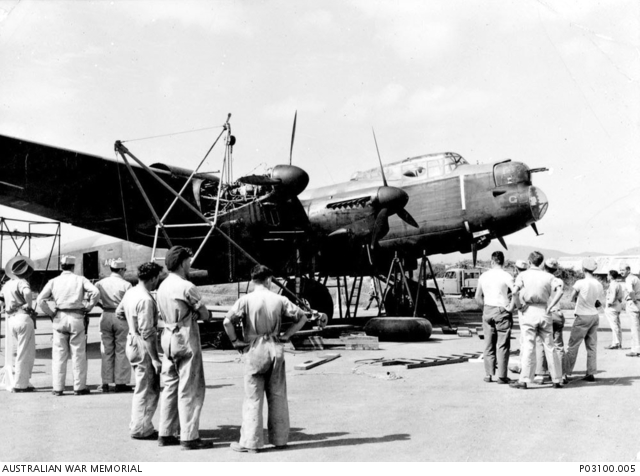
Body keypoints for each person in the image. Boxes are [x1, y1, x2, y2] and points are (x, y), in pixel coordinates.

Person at [224, 265, 308, 453]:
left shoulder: (245, 300)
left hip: (254, 349)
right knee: (277, 395)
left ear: (253, 280)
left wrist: (235, 341)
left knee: (253, 398)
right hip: (275, 348)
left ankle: (251, 443)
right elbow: (302, 317)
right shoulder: (279, 299)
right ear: (269, 279)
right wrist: (287, 335)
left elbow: (227, 321)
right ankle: (279, 440)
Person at [155, 246, 212, 450]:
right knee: (190, 387)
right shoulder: (186, 286)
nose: (190, 264)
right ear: (181, 263)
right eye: (188, 261)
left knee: (170, 386)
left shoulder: (161, 286)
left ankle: (165, 433)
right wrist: (204, 315)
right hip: (185, 337)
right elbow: (204, 313)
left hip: (167, 338)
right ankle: (188, 436)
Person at [37, 255, 100, 396]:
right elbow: (95, 292)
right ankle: (79, 387)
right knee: (78, 353)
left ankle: (58, 388)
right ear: (73, 266)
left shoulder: (53, 281)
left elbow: (40, 299)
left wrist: (51, 313)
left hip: (59, 317)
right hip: (77, 317)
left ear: (61, 266)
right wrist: (89, 306)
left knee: (59, 353)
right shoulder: (80, 279)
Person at [116, 262, 164, 440]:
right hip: (143, 346)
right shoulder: (145, 299)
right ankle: (141, 428)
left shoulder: (131, 292)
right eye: (157, 278)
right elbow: (148, 333)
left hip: (131, 342)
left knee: (141, 386)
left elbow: (119, 313)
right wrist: (155, 358)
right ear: (153, 278)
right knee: (148, 388)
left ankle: (138, 424)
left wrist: (131, 326)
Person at [510, 251, 564, 389]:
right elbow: (560, 291)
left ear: (529, 262)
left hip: (529, 311)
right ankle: (557, 379)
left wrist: (518, 306)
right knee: (550, 346)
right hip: (544, 311)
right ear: (541, 262)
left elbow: (515, 292)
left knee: (528, 346)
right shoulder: (549, 276)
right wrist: (551, 305)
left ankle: (524, 379)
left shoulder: (523, 275)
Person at [474, 251, 515, 384]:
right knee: (502, 344)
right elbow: (515, 291)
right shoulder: (506, 275)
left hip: (488, 309)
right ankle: (502, 376)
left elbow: (477, 296)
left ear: (492, 262)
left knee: (488, 344)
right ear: (503, 262)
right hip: (501, 309)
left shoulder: (484, 276)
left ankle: (488, 374)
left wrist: (484, 309)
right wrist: (511, 306)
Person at [562, 258, 604, 382]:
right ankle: (590, 372)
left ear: (583, 269)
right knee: (591, 346)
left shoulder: (580, 282)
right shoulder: (599, 284)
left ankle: (565, 373)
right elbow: (596, 300)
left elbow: (571, 297)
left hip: (582, 316)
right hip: (594, 315)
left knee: (573, 345)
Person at [95, 257, 132, 393]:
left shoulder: (100, 283)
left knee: (106, 349)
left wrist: (102, 305)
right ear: (121, 269)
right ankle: (120, 382)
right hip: (120, 317)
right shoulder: (126, 285)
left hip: (105, 314)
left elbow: (92, 297)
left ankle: (105, 382)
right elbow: (129, 302)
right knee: (121, 349)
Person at [1, 256, 37, 392]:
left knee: (19, 350)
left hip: (11, 318)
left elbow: (2, 301)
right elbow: (27, 292)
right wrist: (29, 305)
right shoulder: (21, 282)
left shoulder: (7, 284)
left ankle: (21, 381)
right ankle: (21, 384)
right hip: (22, 316)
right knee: (25, 352)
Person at [534, 258, 565, 380]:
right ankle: (560, 374)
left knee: (541, 343)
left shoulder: (540, 279)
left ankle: (540, 374)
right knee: (558, 345)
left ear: (543, 266)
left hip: (544, 312)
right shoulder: (558, 281)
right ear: (556, 270)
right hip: (557, 313)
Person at [619, 263, 640, 357]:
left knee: (634, 328)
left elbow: (631, 291)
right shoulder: (636, 278)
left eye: (623, 270)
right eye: (620, 270)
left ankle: (635, 350)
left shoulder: (628, 279)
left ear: (628, 270)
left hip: (633, 302)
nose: (621, 272)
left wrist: (634, 300)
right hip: (638, 302)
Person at [604, 270, 625, 350]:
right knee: (617, 325)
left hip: (612, 307)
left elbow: (612, 296)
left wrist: (609, 304)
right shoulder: (618, 284)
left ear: (611, 276)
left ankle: (616, 343)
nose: (607, 276)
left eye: (608, 275)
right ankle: (617, 343)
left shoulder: (612, 285)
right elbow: (620, 297)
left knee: (614, 326)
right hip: (617, 306)